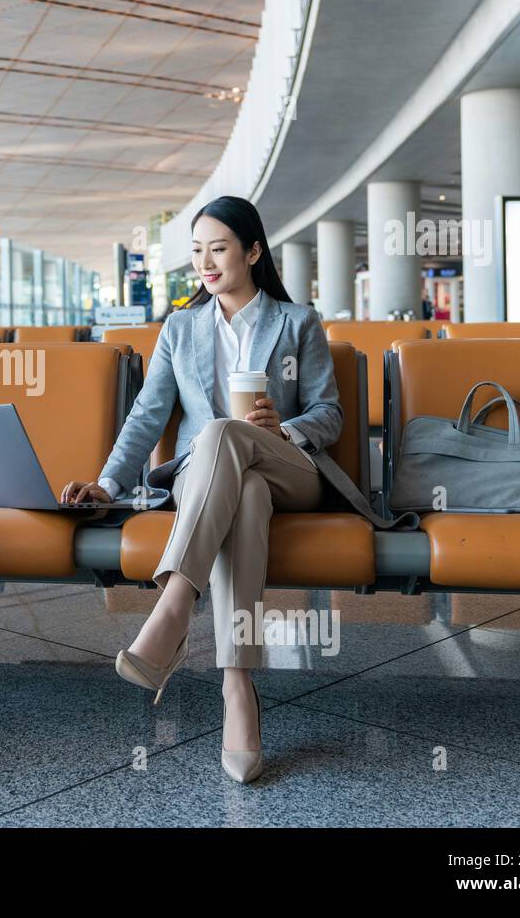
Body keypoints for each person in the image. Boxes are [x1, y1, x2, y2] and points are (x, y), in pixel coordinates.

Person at [60, 195, 341, 784]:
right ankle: (237, 685)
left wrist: (283, 427)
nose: (206, 264)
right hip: (212, 479)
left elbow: (330, 414)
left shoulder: (298, 323)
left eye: (218, 249)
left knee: (233, 444)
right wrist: (109, 481)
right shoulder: (181, 328)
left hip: (291, 467)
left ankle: (173, 605)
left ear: (253, 251)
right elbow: (146, 414)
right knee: (246, 493)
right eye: (196, 252)